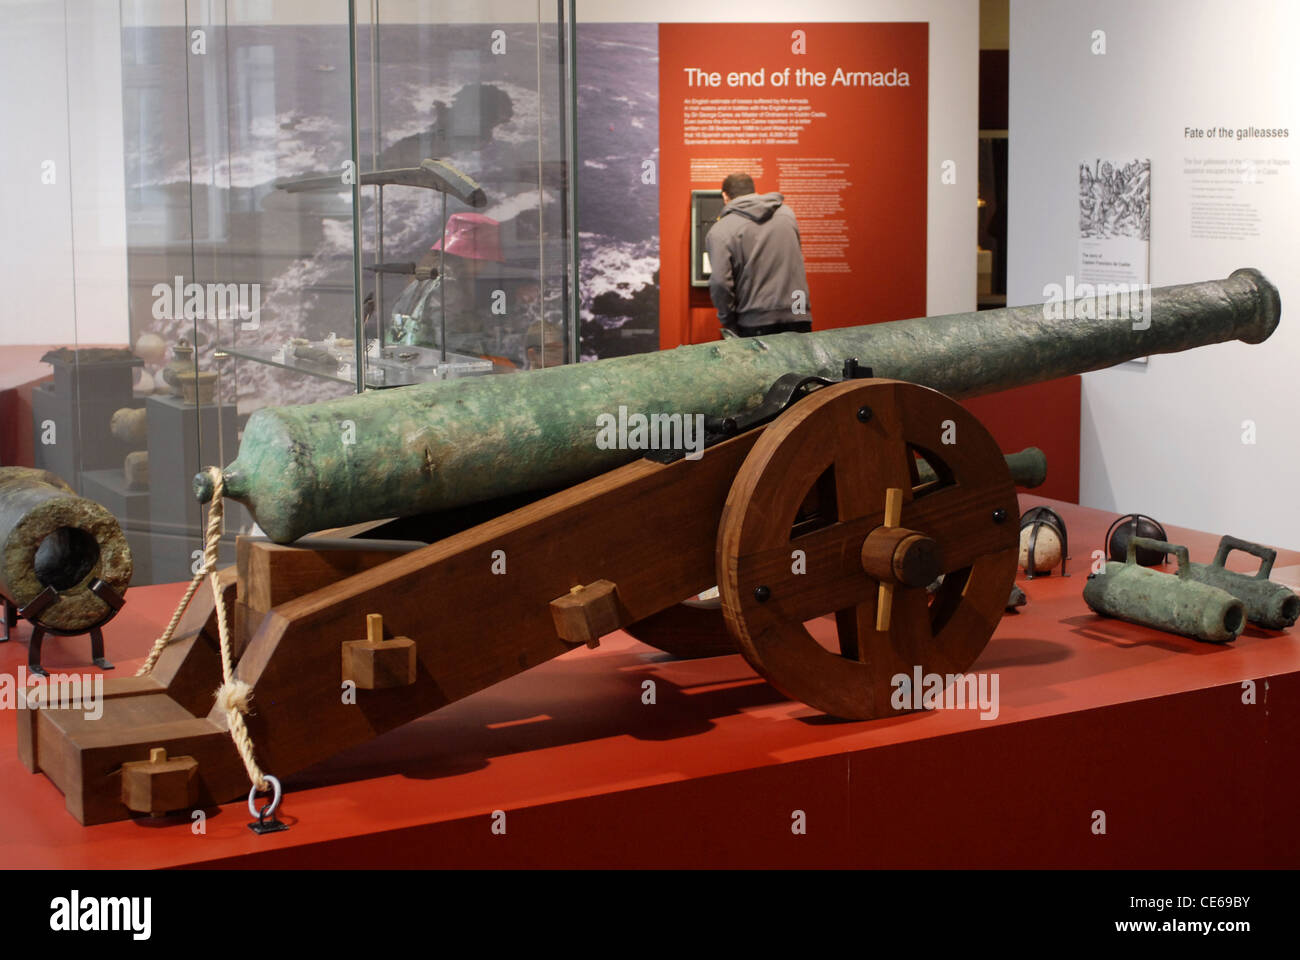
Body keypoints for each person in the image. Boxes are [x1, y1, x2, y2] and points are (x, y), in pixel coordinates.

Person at [704, 173, 812, 337]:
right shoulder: (786, 215)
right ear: (753, 191)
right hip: (799, 316)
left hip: (755, 322)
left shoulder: (720, 230)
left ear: (725, 196)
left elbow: (720, 283)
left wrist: (729, 322)